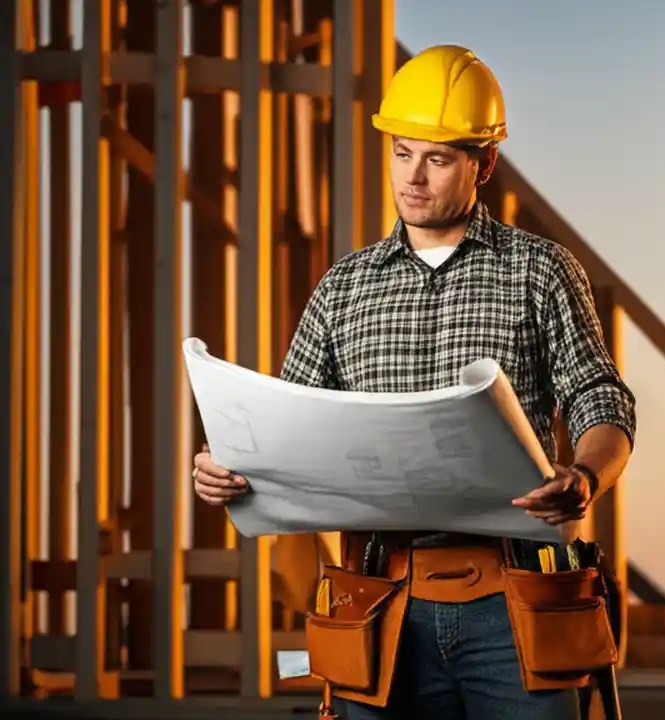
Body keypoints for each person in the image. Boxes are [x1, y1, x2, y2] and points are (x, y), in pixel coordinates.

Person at [190, 44, 635, 719]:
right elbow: (285, 429)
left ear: (482, 163)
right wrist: (228, 468)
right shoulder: (344, 288)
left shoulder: (540, 272)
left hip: (512, 608)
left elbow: (601, 397)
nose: (414, 178)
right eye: (402, 153)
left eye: (437, 157)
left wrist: (586, 476)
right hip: (378, 604)